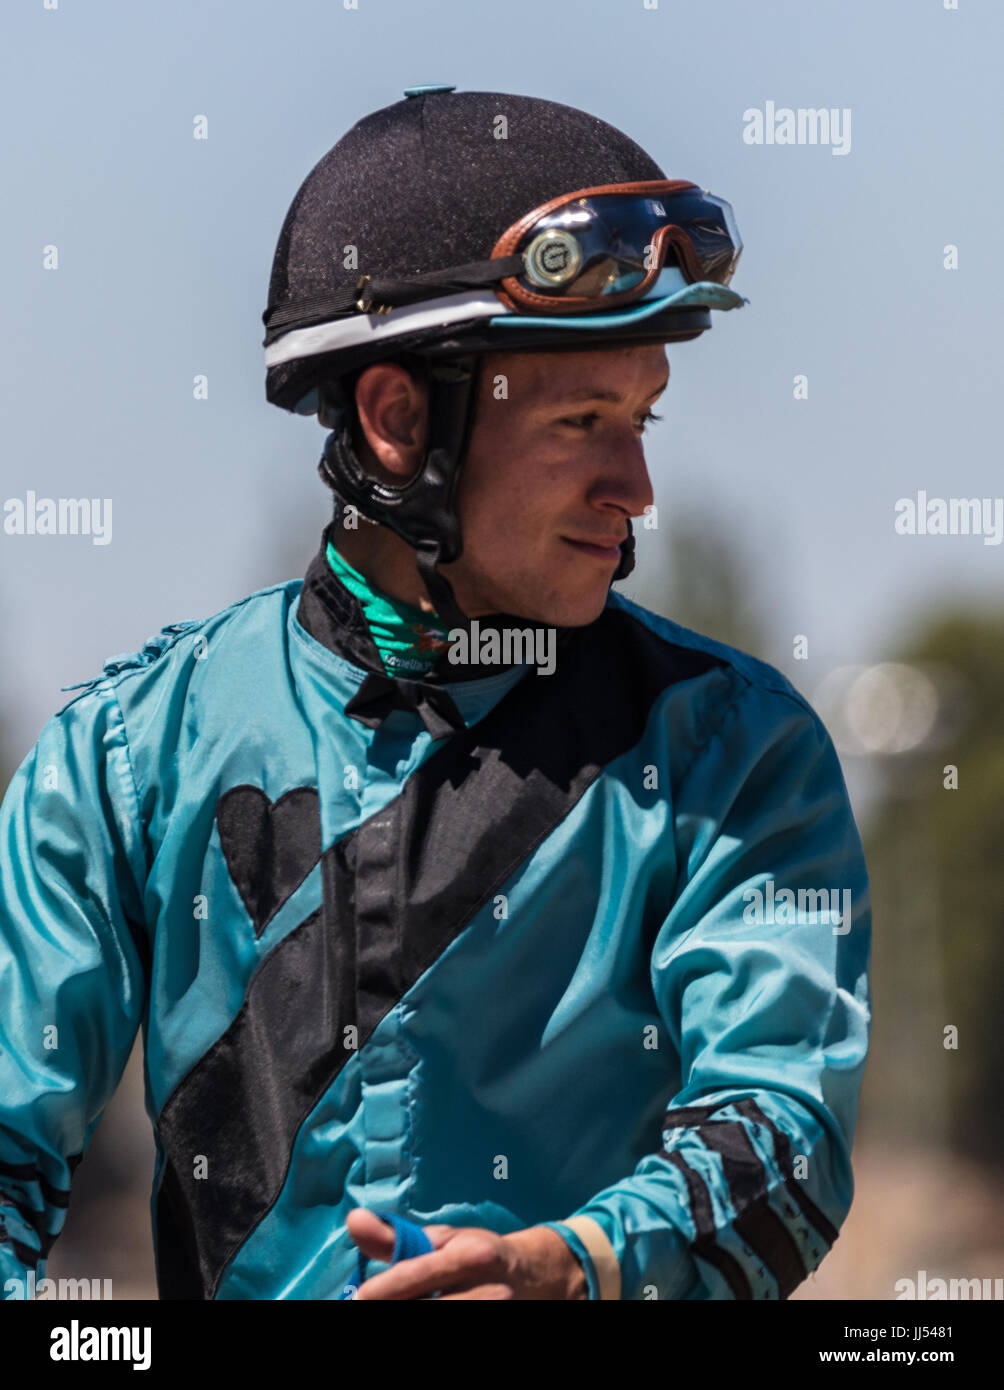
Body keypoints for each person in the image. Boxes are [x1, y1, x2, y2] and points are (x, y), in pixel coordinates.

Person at [0, 86, 870, 1301]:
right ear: (400, 418)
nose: (636, 485)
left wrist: (575, 1266)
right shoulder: (121, 758)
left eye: (643, 419)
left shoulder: (736, 750)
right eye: (582, 420)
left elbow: (784, 1135)